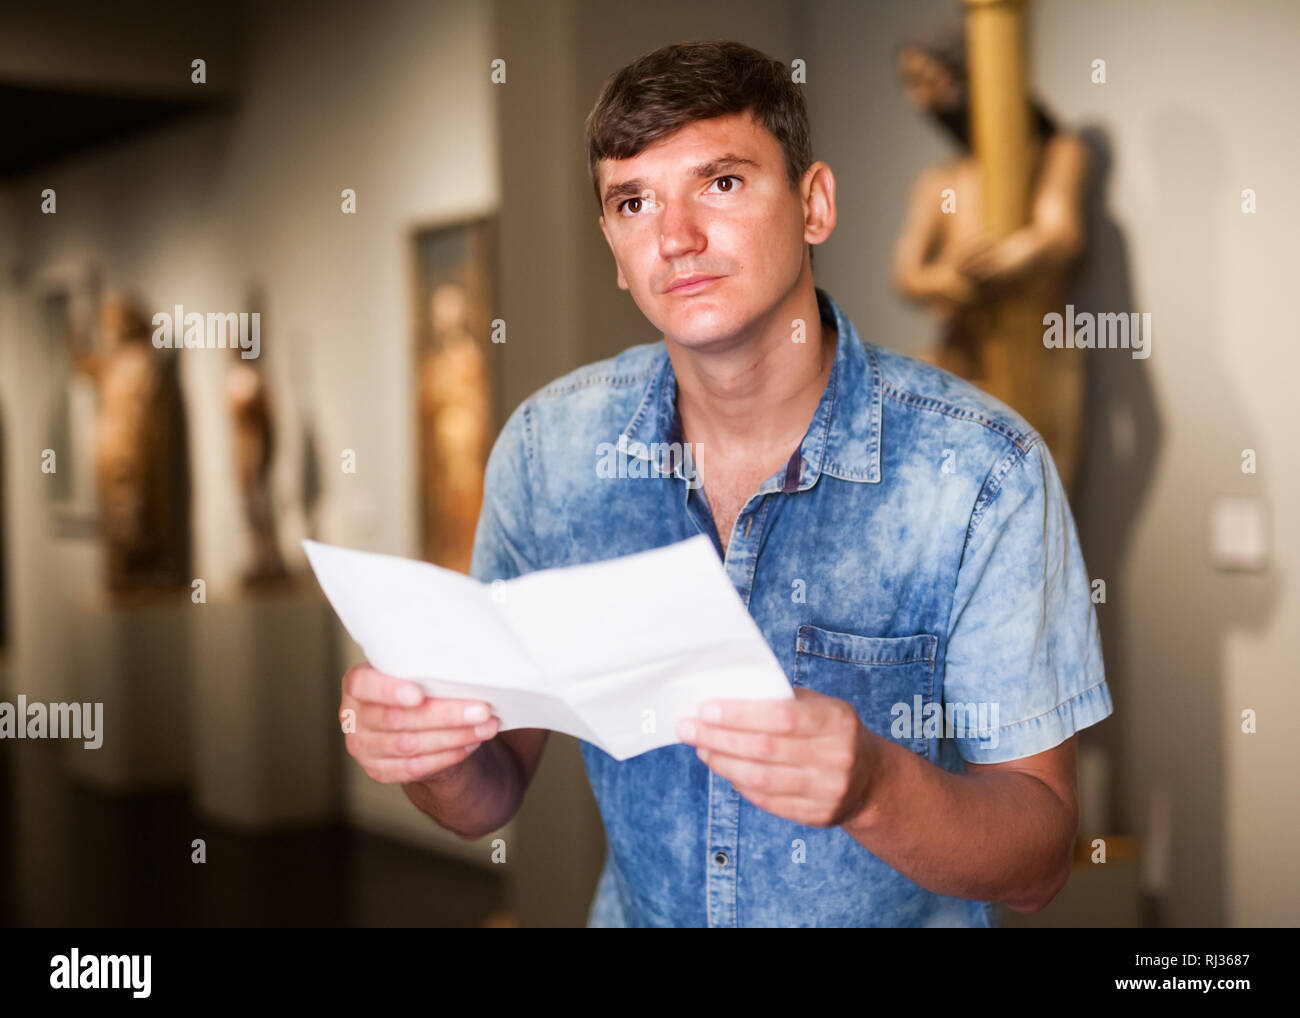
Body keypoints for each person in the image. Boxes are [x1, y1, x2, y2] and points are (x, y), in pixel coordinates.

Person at [339, 40, 1110, 927]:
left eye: (722, 183)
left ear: (814, 204)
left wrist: (872, 785)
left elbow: (1040, 856)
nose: (676, 238)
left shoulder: (982, 471)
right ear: (615, 248)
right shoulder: (546, 452)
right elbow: (489, 796)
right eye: (635, 202)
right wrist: (424, 749)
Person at [892, 23, 1091, 495]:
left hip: (1037, 354)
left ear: (967, 74)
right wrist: (951, 278)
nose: (919, 100)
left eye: (928, 80)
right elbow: (907, 274)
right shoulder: (939, 181)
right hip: (960, 353)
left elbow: (1059, 233)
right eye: (911, 85)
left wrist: (1006, 258)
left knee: (1035, 506)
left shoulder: (1056, 152)